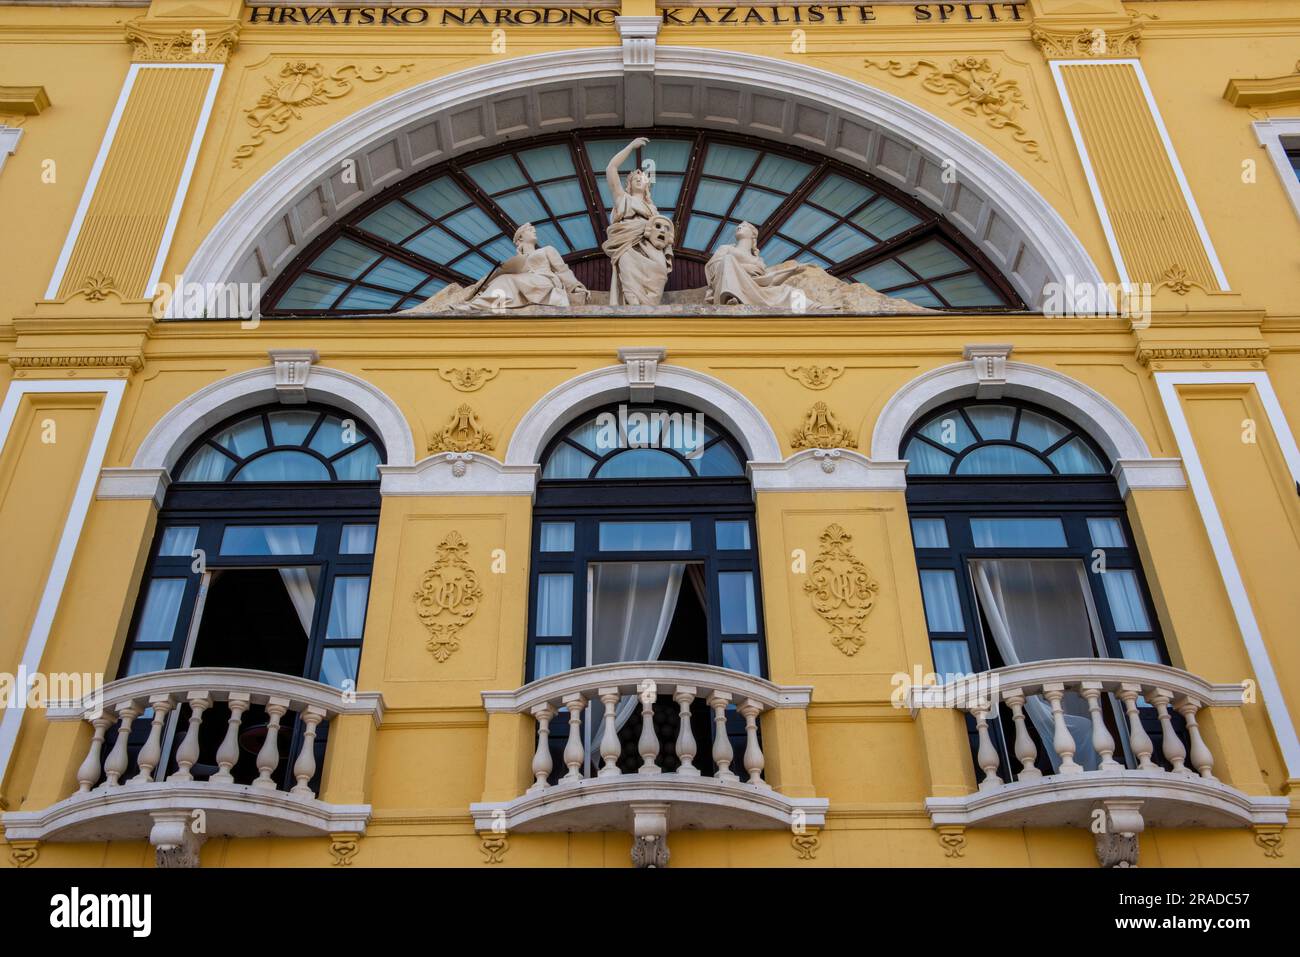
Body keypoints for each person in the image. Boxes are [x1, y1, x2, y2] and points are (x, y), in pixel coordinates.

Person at [600, 137, 673, 305]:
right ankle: (633, 310)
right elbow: (611, 168)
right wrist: (630, 147)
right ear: (629, 185)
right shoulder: (622, 198)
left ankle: (649, 308)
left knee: (661, 270)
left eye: (643, 180)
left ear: (647, 186)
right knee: (630, 279)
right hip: (627, 244)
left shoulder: (652, 209)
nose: (639, 181)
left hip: (649, 243)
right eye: (635, 180)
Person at [460, 222, 588, 310]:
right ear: (520, 237)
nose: (534, 231)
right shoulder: (519, 259)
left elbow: (562, 270)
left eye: (533, 230)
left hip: (543, 281)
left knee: (507, 279)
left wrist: (575, 287)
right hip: (525, 281)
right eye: (530, 230)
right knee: (502, 279)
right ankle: (479, 305)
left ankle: (476, 306)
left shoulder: (547, 250)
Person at [705, 221, 809, 310]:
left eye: (745, 226)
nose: (739, 226)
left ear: (753, 235)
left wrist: (793, 270)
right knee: (728, 259)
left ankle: (817, 309)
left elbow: (767, 280)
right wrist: (740, 269)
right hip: (730, 286)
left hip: (754, 288)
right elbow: (715, 268)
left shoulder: (759, 261)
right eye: (739, 226)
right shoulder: (726, 249)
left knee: (788, 291)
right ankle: (730, 297)